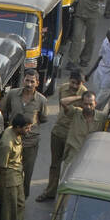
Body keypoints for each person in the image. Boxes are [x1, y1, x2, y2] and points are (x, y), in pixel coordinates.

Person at [37, 70, 88, 202]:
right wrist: (77, 98)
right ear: (69, 80)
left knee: (69, 166)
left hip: (74, 134)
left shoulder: (86, 95)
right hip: (59, 130)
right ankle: (50, 191)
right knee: (55, 165)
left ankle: (65, 196)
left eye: (78, 84)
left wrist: (81, 96)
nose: (75, 86)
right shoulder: (63, 88)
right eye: (73, 82)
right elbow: (63, 102)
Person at [2, 67, 47, 193]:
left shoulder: (41, 100)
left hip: (30, 143)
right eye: (27, 81)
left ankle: (23, 197)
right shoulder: (12, 94)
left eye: (32, 82)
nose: (29, 84)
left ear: (37, 83)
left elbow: (43, 119)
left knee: (27, 172)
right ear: (23, 81)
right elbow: (4, 111)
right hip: (13, 141)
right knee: (10, 171)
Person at [67, 0, 106, 71]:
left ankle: (85, 59)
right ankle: (72, 61)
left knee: (90, 39)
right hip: (79, 14)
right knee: (76, 37)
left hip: (92, 15)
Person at [0, 113, 29, 220]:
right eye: (26, 128)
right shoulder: (6, 144)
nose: (28, 130)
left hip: (17, 176)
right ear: (18, 127)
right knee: (9, 212)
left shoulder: (14, 131)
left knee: (20, 205)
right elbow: (1, 167)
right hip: (9, 180)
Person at [63, 89, 104, 171]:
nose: (88, 107)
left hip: (92, 156)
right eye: (85, 104)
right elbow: (63, 101)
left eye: (90, 104)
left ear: (95, 104)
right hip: (74, 154)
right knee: (66, 179)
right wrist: (80, 97)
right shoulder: (75, 113)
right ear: (81, 103)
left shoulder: (102, 117)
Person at [88, 27, 110, 106]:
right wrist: (89, 73)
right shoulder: (105, 42)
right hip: (100, 71)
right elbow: (100, 57)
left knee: (102, 96)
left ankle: (93, 109)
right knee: (96, 94)